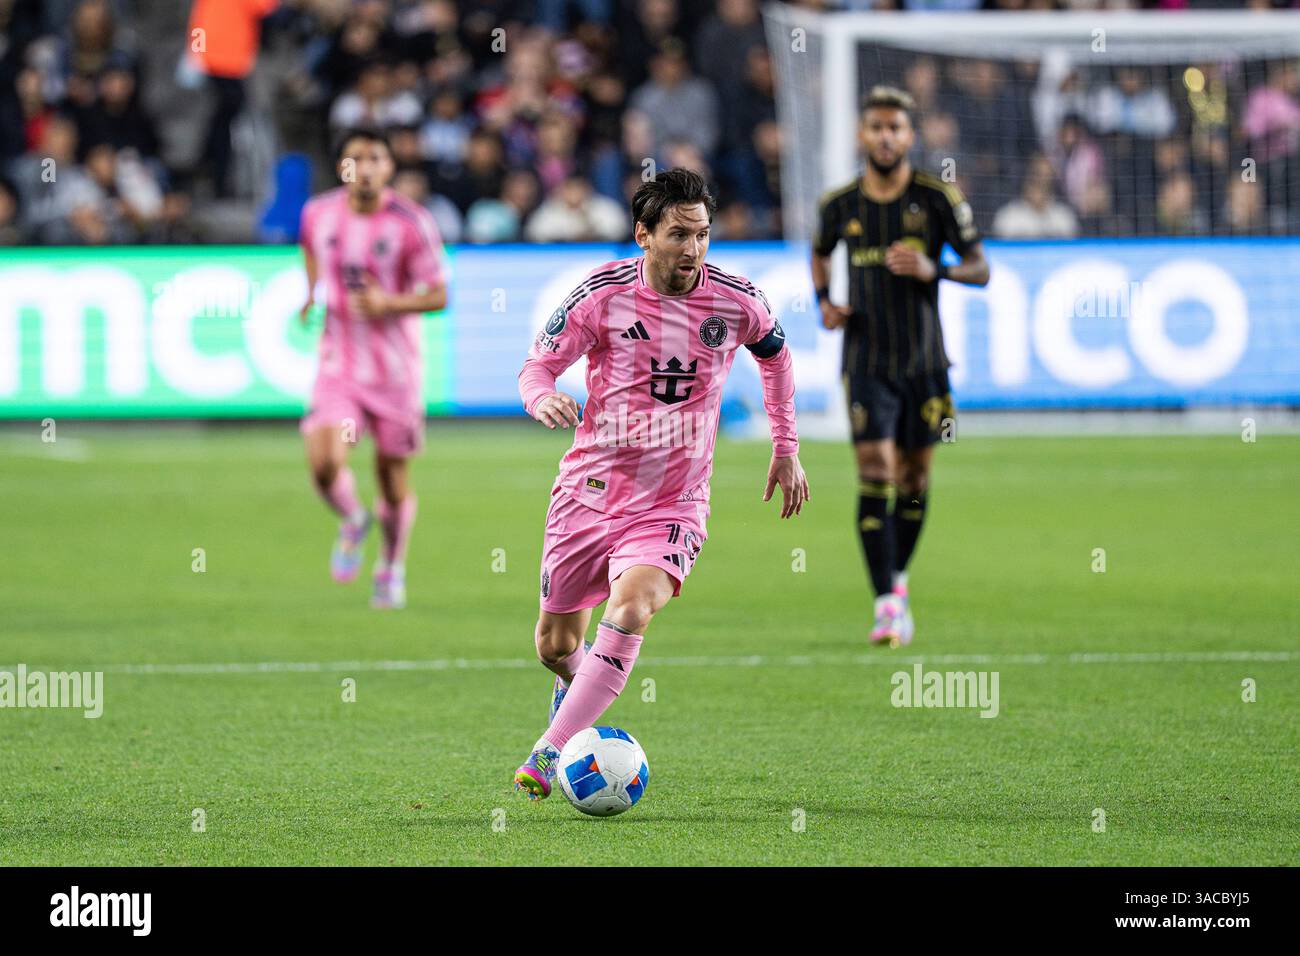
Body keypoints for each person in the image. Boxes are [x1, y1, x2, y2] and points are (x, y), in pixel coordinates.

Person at [511, 167, 809, 800]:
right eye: (679, 235)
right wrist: (541, 399)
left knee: (631, 608)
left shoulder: (736, 300)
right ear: (643, 234)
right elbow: (538, 367)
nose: (694, 250)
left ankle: (549, 750)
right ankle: (577, 688)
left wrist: (786, 445)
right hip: (588, 494)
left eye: (702, 235)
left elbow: (777, 358)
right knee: (553, 644)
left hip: (673, 501)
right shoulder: (600, 296)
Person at [811, 86, 989, 647]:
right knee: (875, 470)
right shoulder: (839, 205)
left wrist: (933, 268)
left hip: (926, 364)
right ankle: (886, 603)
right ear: (862, 135)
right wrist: (824, 301)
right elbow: (819, 250)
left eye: (896, 128)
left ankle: (900, 580)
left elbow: (981, 269)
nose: (886, 137)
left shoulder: (937, 198)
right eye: (876, 127)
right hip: (864, 361)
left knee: (914, 479)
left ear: (910, 136)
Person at [298, 129, 448, 609]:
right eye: (354, 158)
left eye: (375, 158)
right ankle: (352, 519)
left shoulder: (412, 223)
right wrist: (310, 291)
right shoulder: (318, 213)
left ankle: (391, 564)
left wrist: (389, 301)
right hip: (339, 365)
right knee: (324, 463)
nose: (364, 167)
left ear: (389, 167)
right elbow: (308, 248)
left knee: (391, 477)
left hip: (396, 374)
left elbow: (439, 294)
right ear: (342, 167)